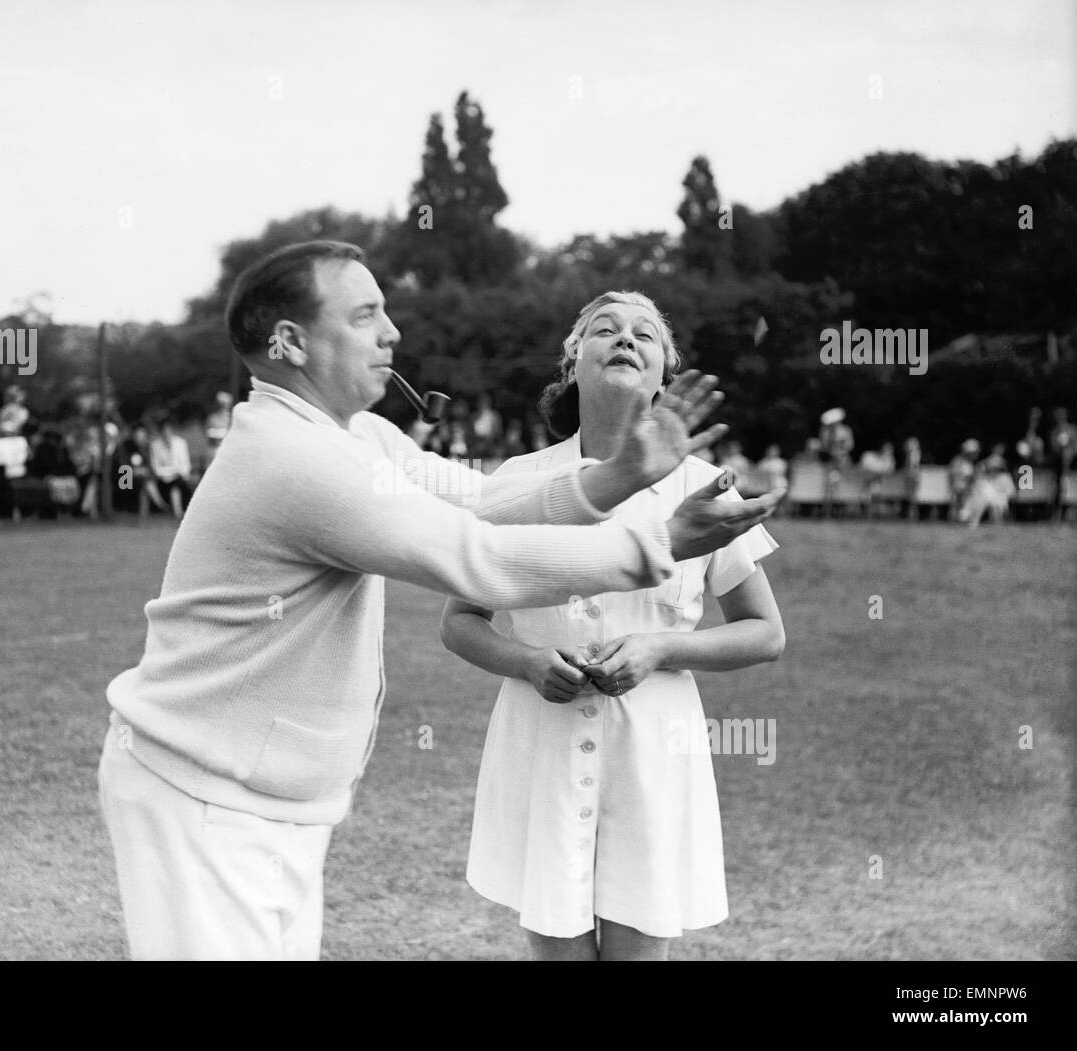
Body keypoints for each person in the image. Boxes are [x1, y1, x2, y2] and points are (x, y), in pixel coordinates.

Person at [95, 240, 784, 961]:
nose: (392, 333)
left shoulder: (359, 436)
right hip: (203, 797)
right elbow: (477, 558)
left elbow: (485, 501)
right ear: (291, 342)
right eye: (365, 316)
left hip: (260, 801)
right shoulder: (300, 460)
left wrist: (618, 477)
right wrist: (660, 538)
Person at [440, 290, 784, 961]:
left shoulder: (708, 485)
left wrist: (661, 646)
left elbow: (765, 631)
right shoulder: (518, 481)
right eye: (605, 329)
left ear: (662, 376)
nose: (625, 338)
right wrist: (527, 661)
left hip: (654, 748)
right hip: (541, 737)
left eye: (645, 335)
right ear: (573, 364)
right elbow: (459, 622)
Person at [148, 416, 193, 519]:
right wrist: (172, 471)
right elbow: (156, 468)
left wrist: (176, 472)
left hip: (180, 478)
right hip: (164, 480)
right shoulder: (155, 445)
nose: (166, 433)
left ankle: (177, 513)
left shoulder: (181, 443)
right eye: (164, 430)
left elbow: (186, 465)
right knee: (174, 485)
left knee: (176, 485)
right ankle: (177, 513)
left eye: (168, 430)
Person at [948, 439, 979, 521]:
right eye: (974, 453)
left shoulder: (968, 462)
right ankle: (958, 518)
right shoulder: (958, 461)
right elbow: (953, 477)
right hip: (960, 489)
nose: (976, 455)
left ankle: (963, 517)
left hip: (965, 490)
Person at [204, 391, 234, 466]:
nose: (223, 406)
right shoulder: (212, 418)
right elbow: (207, 433)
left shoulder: (232, 418)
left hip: (227, 451)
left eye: (225, 404)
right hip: (214, 450)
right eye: (221, 404)